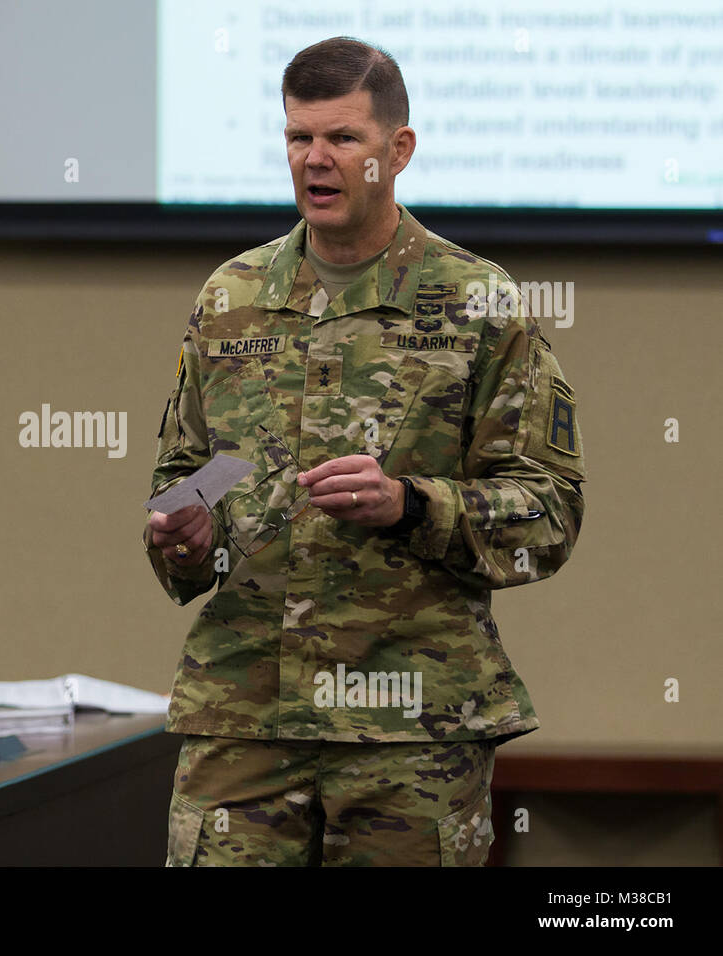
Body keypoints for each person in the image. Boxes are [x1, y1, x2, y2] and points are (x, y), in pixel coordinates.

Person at [145, 37, 586, 866]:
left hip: (408, 727)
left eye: (343, 139)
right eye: (297, 138)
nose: (316, 160)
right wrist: (180, 535)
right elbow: (184, 477)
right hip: (245, 716)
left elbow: (550, 512)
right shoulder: (230, 298)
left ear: (399, 150)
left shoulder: (475, 304)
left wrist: (412, 504)